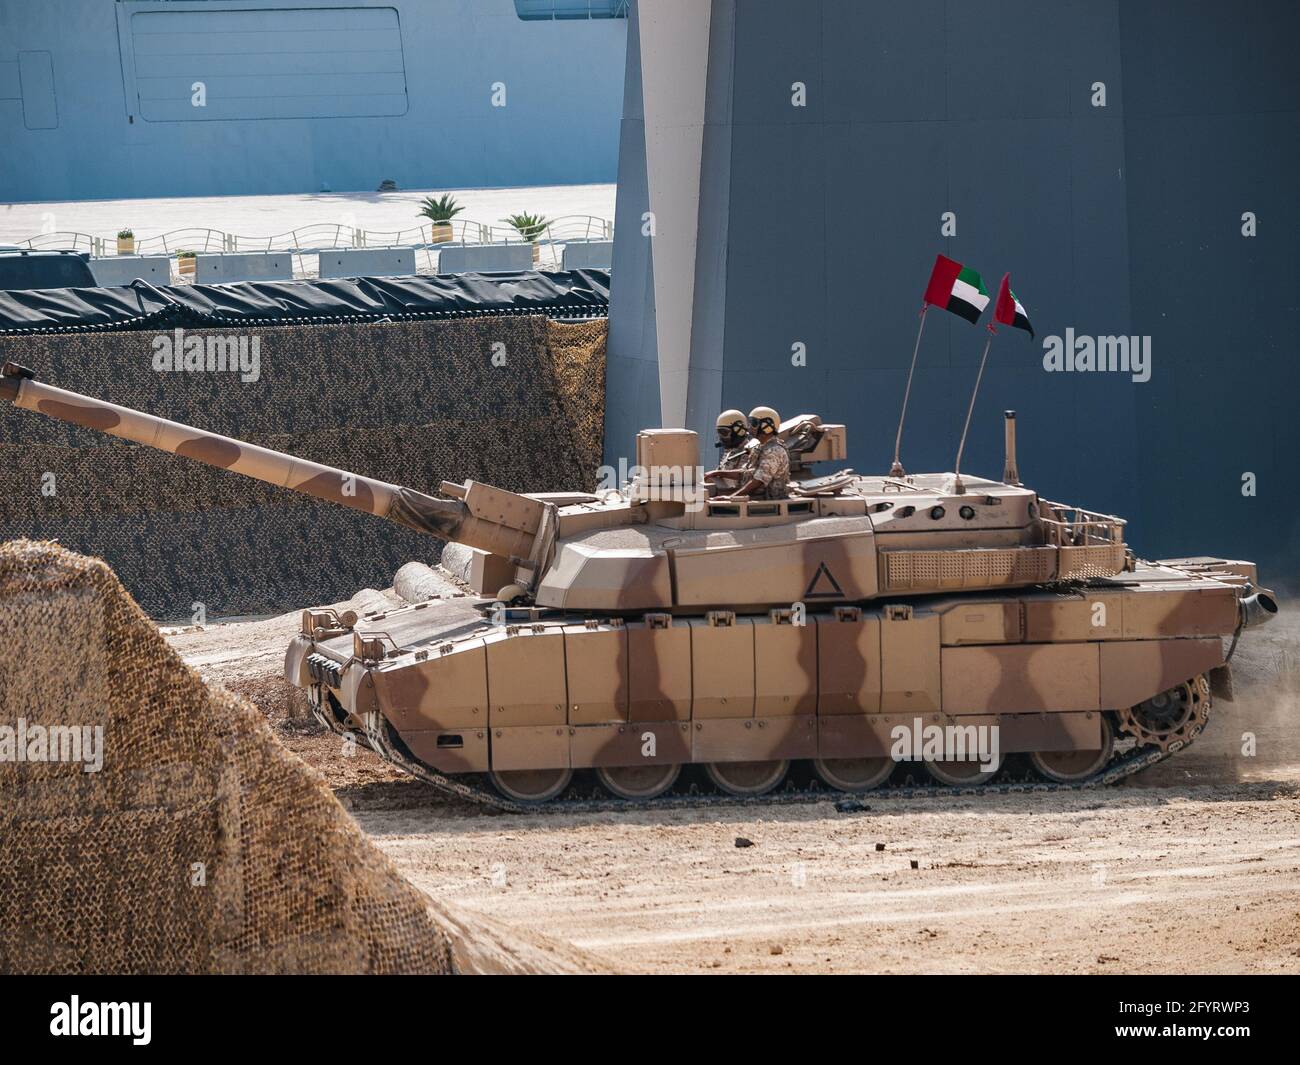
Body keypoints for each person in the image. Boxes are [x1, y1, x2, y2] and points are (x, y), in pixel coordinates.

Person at [726, 406, 790, 500]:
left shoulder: (774, 451)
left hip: (770, 504)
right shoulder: (760, 447)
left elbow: (758, 481)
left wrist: (731, 498)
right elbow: (746, 473)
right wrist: (717, 473)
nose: (749, 427)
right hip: (759, 499)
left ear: (767, 426)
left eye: (754, 423)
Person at [702, 409, 752, 496]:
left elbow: (745, 481)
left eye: (724, 433)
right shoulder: (731, 451)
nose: (721, 438)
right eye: (719, 433)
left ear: (739, 431)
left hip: (739, 500)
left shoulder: (749, 452)